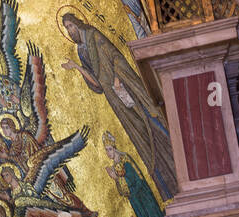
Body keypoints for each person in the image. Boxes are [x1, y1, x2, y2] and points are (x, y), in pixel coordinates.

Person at [60, 12, 176, 198]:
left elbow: (114, 55)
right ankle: (168, 181)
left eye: (70, 26)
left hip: (123, 85)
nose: (70, 30)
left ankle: (179, 157)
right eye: (67, 28)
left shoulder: (93, 35)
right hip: (114, 99)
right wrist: (77, 68)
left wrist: (116, 78)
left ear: (77, 23)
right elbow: (97, 84)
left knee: (149, 119)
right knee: (139, 134)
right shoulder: (81, 51)